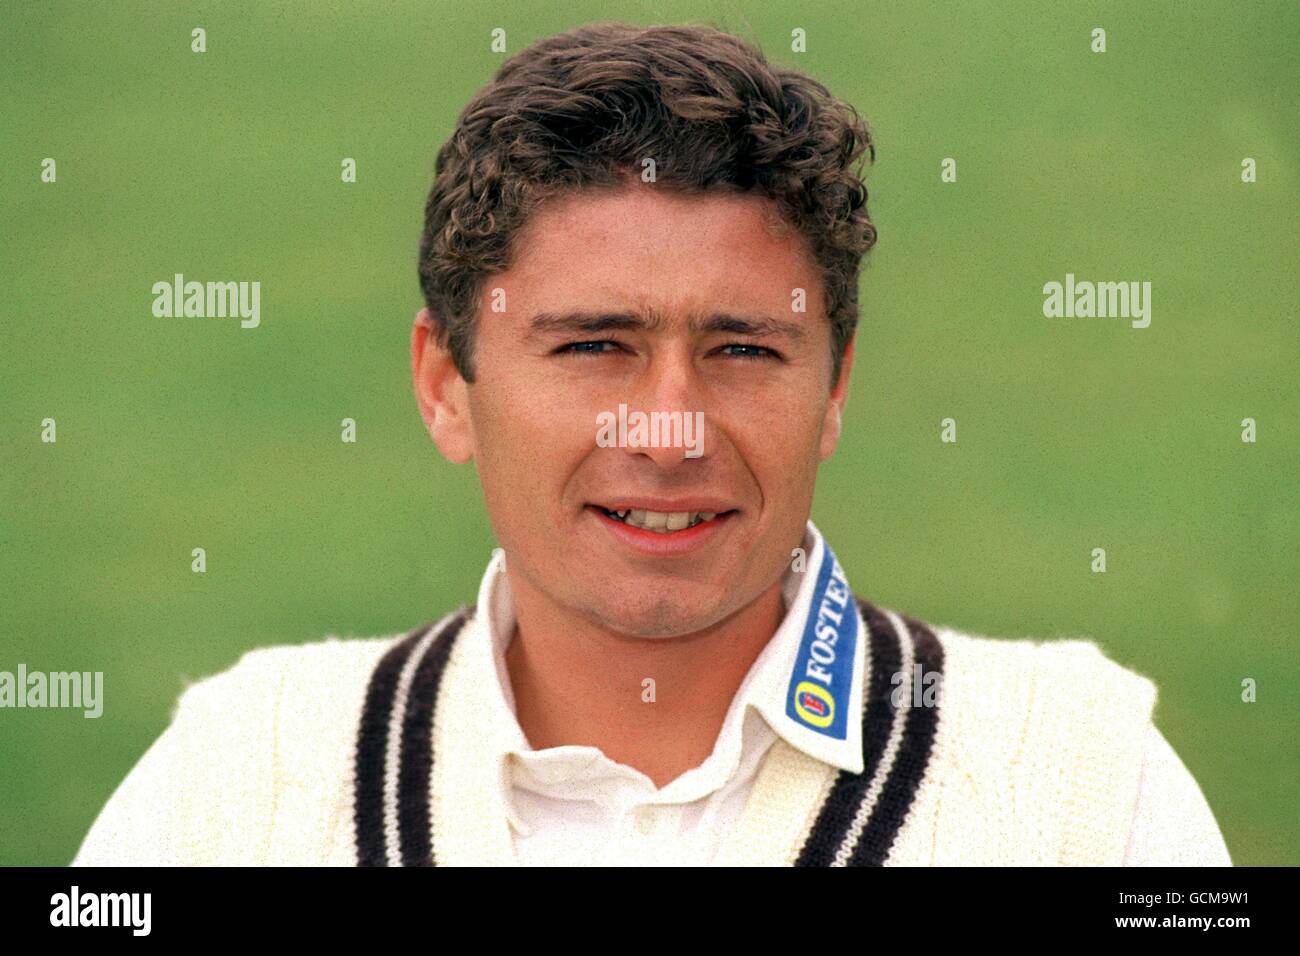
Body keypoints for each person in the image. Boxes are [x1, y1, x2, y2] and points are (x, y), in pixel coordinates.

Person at [73, 21, 1231, 867]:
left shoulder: (1085, 791)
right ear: (445, 383)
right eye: (593, 347)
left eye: (743, 349)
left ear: (835, 384)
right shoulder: (228, 788)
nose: (670, 427)